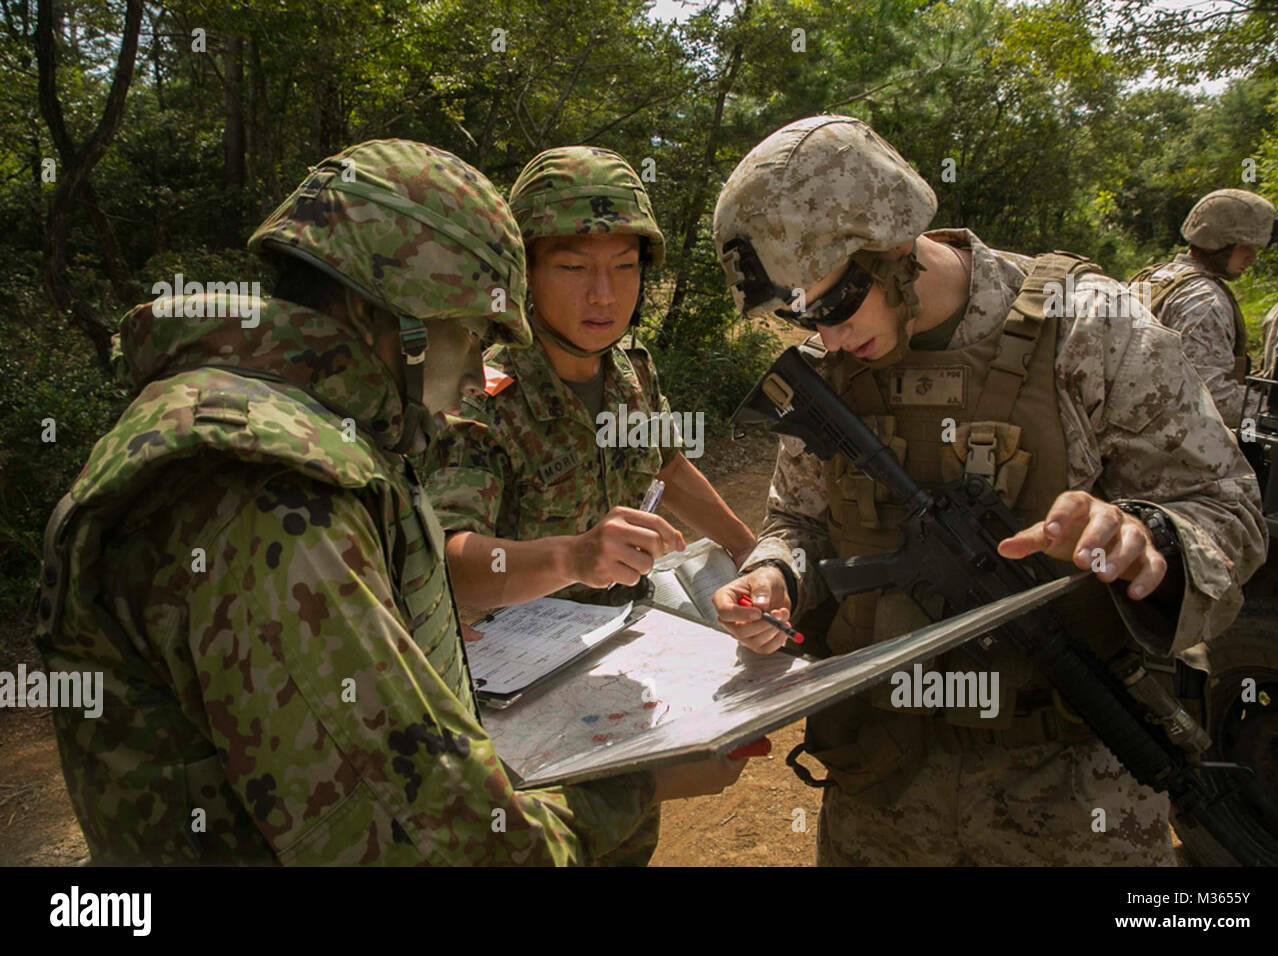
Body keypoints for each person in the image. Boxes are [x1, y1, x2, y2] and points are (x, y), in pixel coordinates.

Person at [35, 139, 745, 866]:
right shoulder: (269, 491)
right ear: (406, 320)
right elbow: (433, 847)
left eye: (623, 267)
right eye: (470, 336)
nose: (476, 378)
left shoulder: (273, 428)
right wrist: (639, 781)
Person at [709, 115, 1267, 866]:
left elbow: (1226, 510)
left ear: (898, 246)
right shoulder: (828, 374)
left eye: (834, 305)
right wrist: (775, 575)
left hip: (1070, 796)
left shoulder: (1088, 326)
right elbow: (797, 519)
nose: (827, 338)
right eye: (796, 315)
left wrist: (1146, 537)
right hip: (884, 790)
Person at [425, 145, 756, 865]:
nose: (604, 294)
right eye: (574, 268)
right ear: (525, 272)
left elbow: (663, 457)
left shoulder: (632, 371)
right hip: (511, 722)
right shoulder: (477, 386)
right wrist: (573, 556)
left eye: (625, 267)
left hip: (618, 681)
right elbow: (450, 566)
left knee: (628, 840)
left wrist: (744, 547)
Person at [1129, 188, 1278, 427]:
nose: (1252, 257)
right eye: (1244, 247)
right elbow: (1209, 398)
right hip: (1169, 448)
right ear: (1220, 242)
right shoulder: (1205, 301)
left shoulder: (1154, 278)